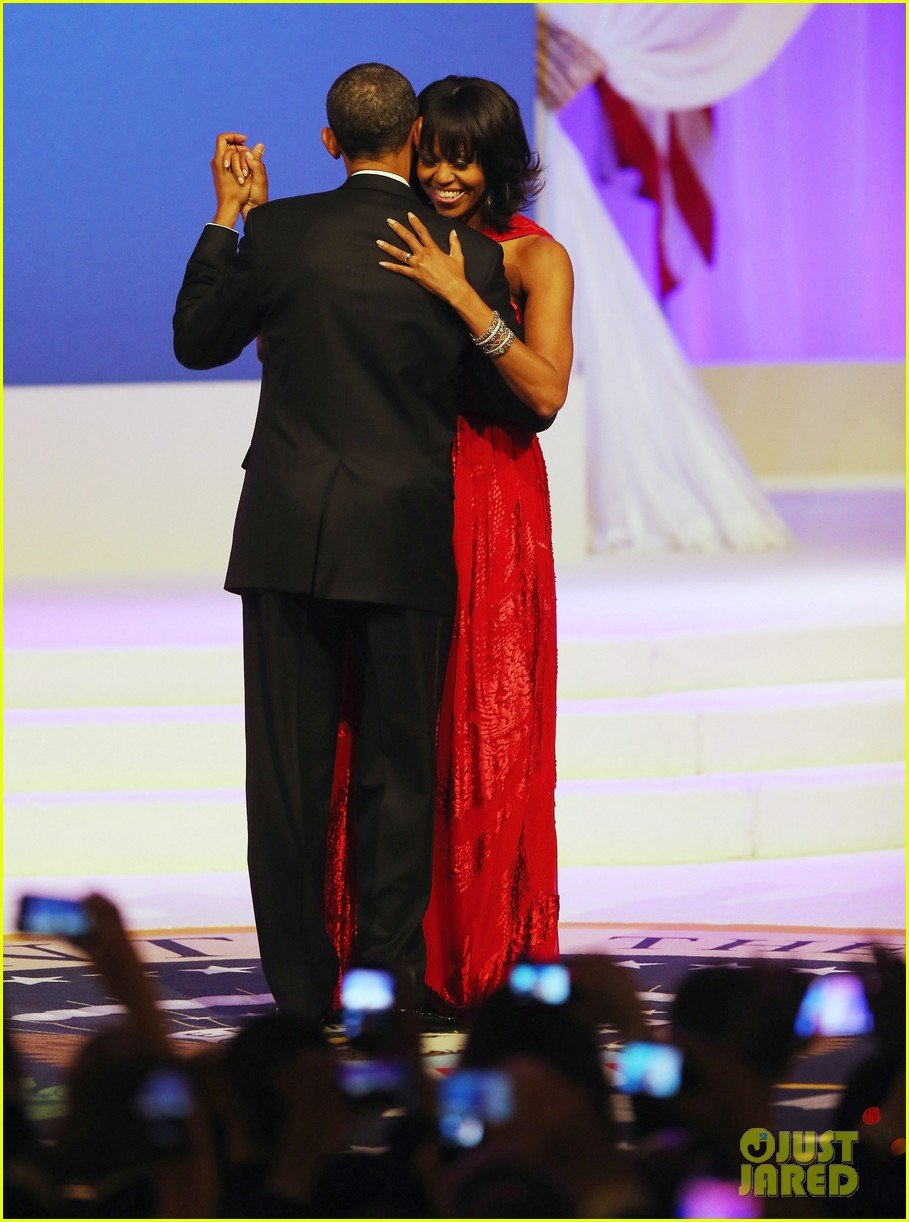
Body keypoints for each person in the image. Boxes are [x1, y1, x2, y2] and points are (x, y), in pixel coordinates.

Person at [173, 63, 554, 1024]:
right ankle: (383, 986)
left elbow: (198, 340)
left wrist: (227, 218)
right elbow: (493, 405)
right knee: (397, 770)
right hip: (404, 539)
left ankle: (301, 1001)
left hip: (288, 538)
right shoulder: (462, 257)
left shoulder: (280, 232)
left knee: (291, 779)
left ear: (330, 141)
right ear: (414, 141)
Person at [329, 76, 574, 1009]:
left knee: (488, 727)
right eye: (431, 153)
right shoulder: (390, 231)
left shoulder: (531, 258)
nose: (441, 174)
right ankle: (387, 959)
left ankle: (485, 962)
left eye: (462, 158)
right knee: (393, 730)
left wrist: (460, 293)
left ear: (497, 162)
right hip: (400, 494)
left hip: (493, 505)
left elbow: (545, 393)